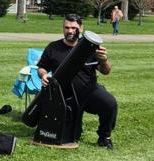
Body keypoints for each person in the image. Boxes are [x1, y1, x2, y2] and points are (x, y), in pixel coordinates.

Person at [37, 14, 118, 149]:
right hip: (65, 96)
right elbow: (41, 67)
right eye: (66, 27)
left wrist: (104, 60)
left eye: (74, 28)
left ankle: (105, 137)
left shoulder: (90, 48)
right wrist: (44, 75)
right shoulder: (53, 47)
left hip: (89, 91)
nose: (70, 31)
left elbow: (106, 71)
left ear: (81, 28)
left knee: (110, 104)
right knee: (74, 136)